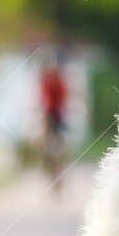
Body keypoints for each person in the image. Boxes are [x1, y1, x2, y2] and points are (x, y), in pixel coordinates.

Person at [39, 55, 69, 190]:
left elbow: (61, 101)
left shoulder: (57, 82)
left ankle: (57, 175)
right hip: (50, 117)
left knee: (56, 149)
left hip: (56, 117)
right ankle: (52, 174)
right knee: (48, 149)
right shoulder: (46, 82)